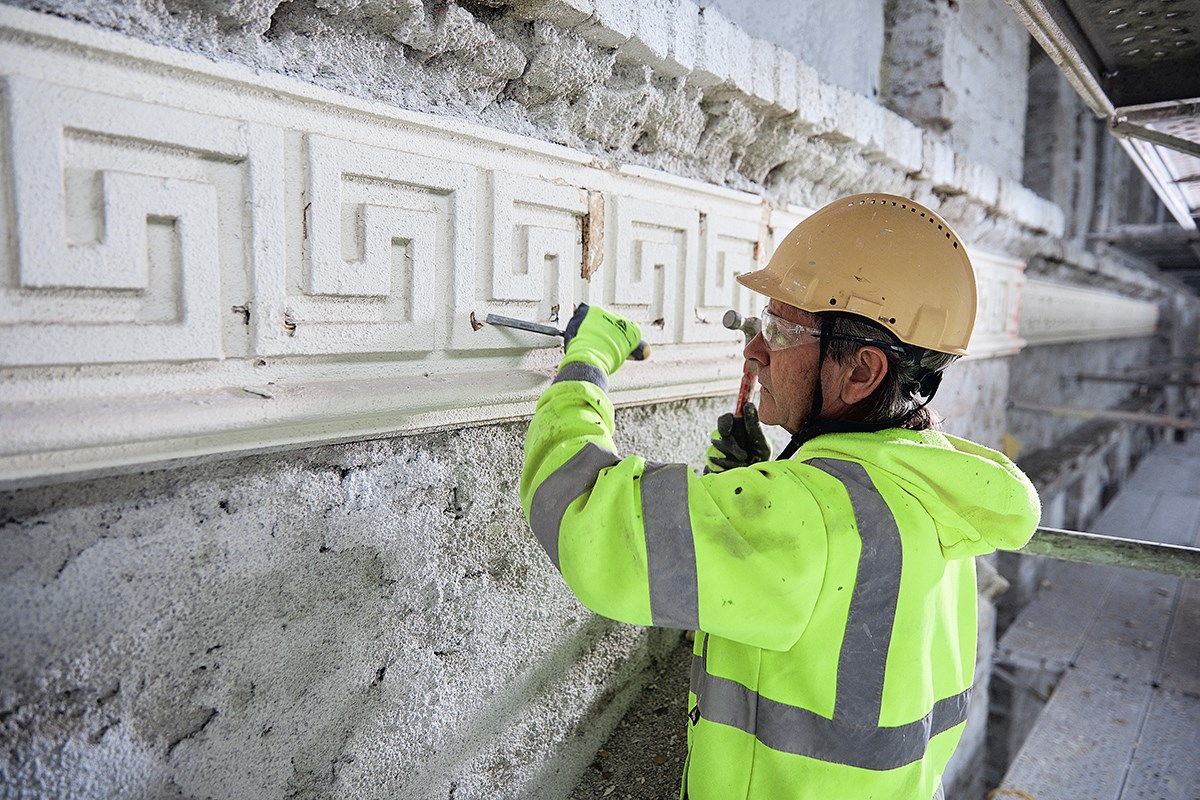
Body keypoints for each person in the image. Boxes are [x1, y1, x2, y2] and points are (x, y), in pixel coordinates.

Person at [519, 193, 1040, 799]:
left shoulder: (806, 516)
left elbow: (584, 512)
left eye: (782, 330)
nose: (754, 350)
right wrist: (763, 482)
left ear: (862, 372)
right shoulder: (931, 496)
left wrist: (585, 363)